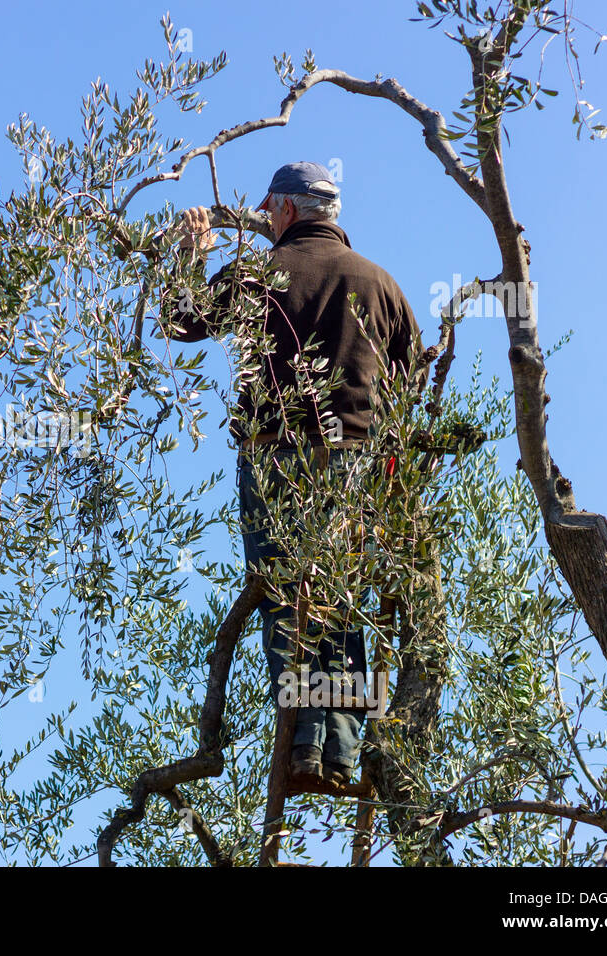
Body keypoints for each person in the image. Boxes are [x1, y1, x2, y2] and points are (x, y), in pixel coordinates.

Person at [160, 161, 427, 785]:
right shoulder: (380, 282)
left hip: (274, 456)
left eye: (266, 207)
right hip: (353, 464)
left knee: (287, 600)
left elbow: (179, 322)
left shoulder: (257, 274)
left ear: (284, 211)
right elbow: (412, 383)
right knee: (338, 597)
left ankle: (305, 745)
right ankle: (337, 748)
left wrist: (187, 255)